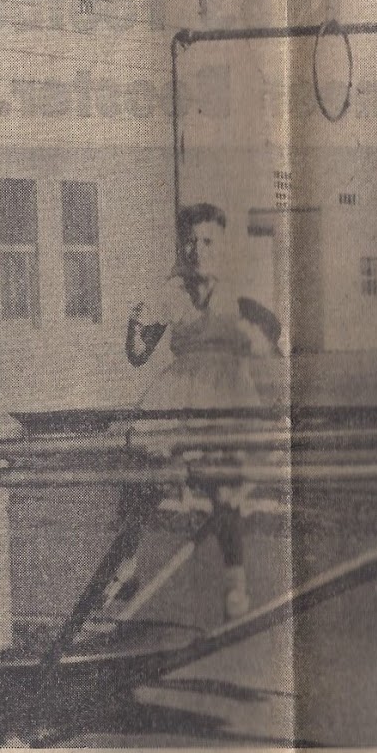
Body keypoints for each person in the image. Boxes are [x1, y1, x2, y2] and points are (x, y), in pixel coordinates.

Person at [113, 202, 286, 621]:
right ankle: (125, 567)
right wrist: (134, 327)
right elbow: (138, 355)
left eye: (207, 241)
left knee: (223, 491)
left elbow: (271, 341)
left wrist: (257, 342)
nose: (198, 250)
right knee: (140, 473)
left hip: (225, 389)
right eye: (189, 242)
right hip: (180, 389)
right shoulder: (170, 294)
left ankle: (234, 583)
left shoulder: (238, 293)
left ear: (222, 245)